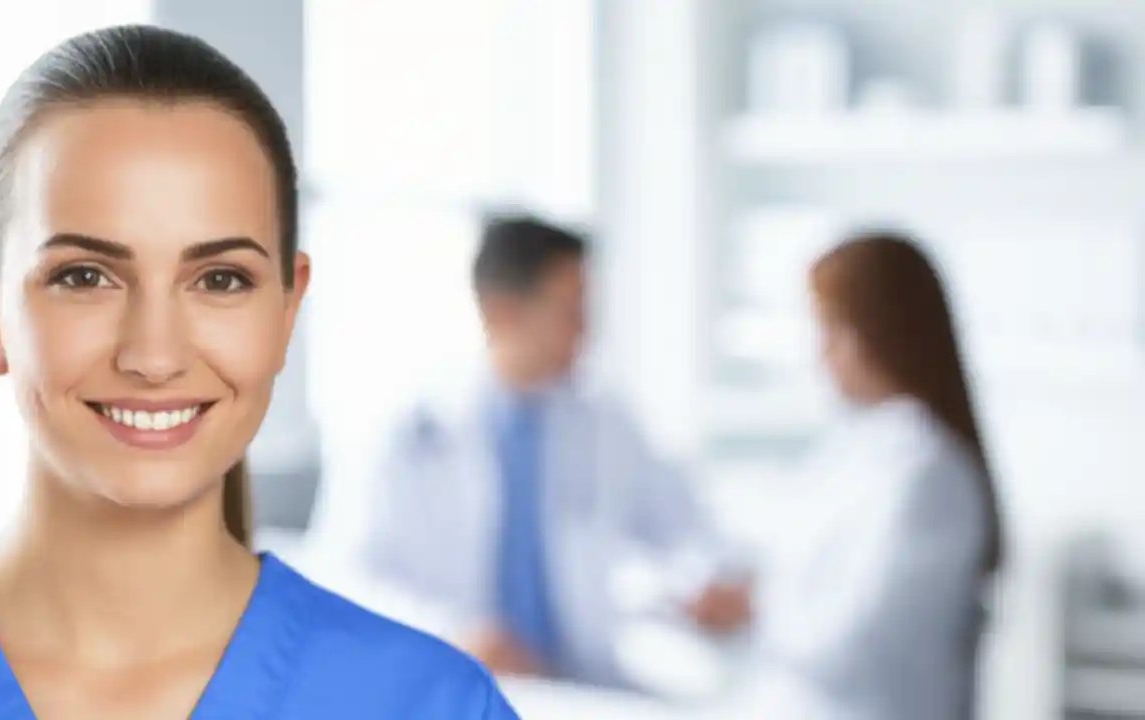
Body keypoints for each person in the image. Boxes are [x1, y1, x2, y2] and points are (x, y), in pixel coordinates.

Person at [0, 26, 517, 719]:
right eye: (85, 276)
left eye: (221, 279)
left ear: (287, 310)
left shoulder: (429, 704)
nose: (155, 355)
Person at [334, 216, 750, 687]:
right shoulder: (409, 430)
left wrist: (706, 579)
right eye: (571, 312)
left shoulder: (606, 420)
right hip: (450, 678)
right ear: (502, 312)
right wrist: (451, 636)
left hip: (583, 683)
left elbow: (685, 526)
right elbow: (352, 582)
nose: (586, 333)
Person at [732, 232, 1005, 720]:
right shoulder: (855, 449)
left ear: (877, 336)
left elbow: (852, 649)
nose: (822, 355)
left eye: (832, 333)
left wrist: (754, 612)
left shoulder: (929, 476)